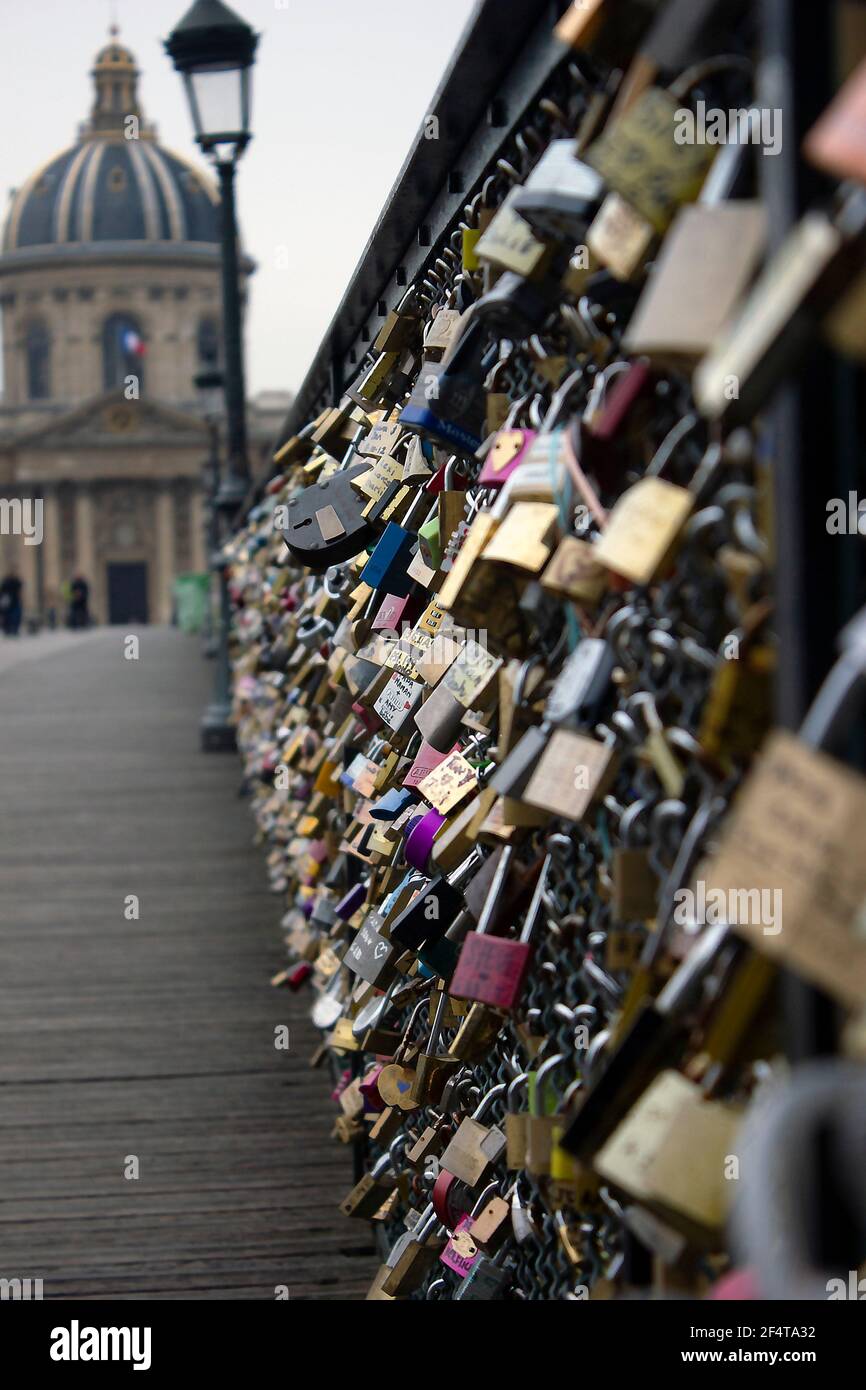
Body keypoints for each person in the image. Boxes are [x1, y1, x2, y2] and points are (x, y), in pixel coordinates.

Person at [0, 569, 23, 636]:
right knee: (9, 617)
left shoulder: (13, 582)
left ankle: (12, 630)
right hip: (9, 603)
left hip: (12, 603)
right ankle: (10, 630)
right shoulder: (7, 583)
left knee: (14, 617)